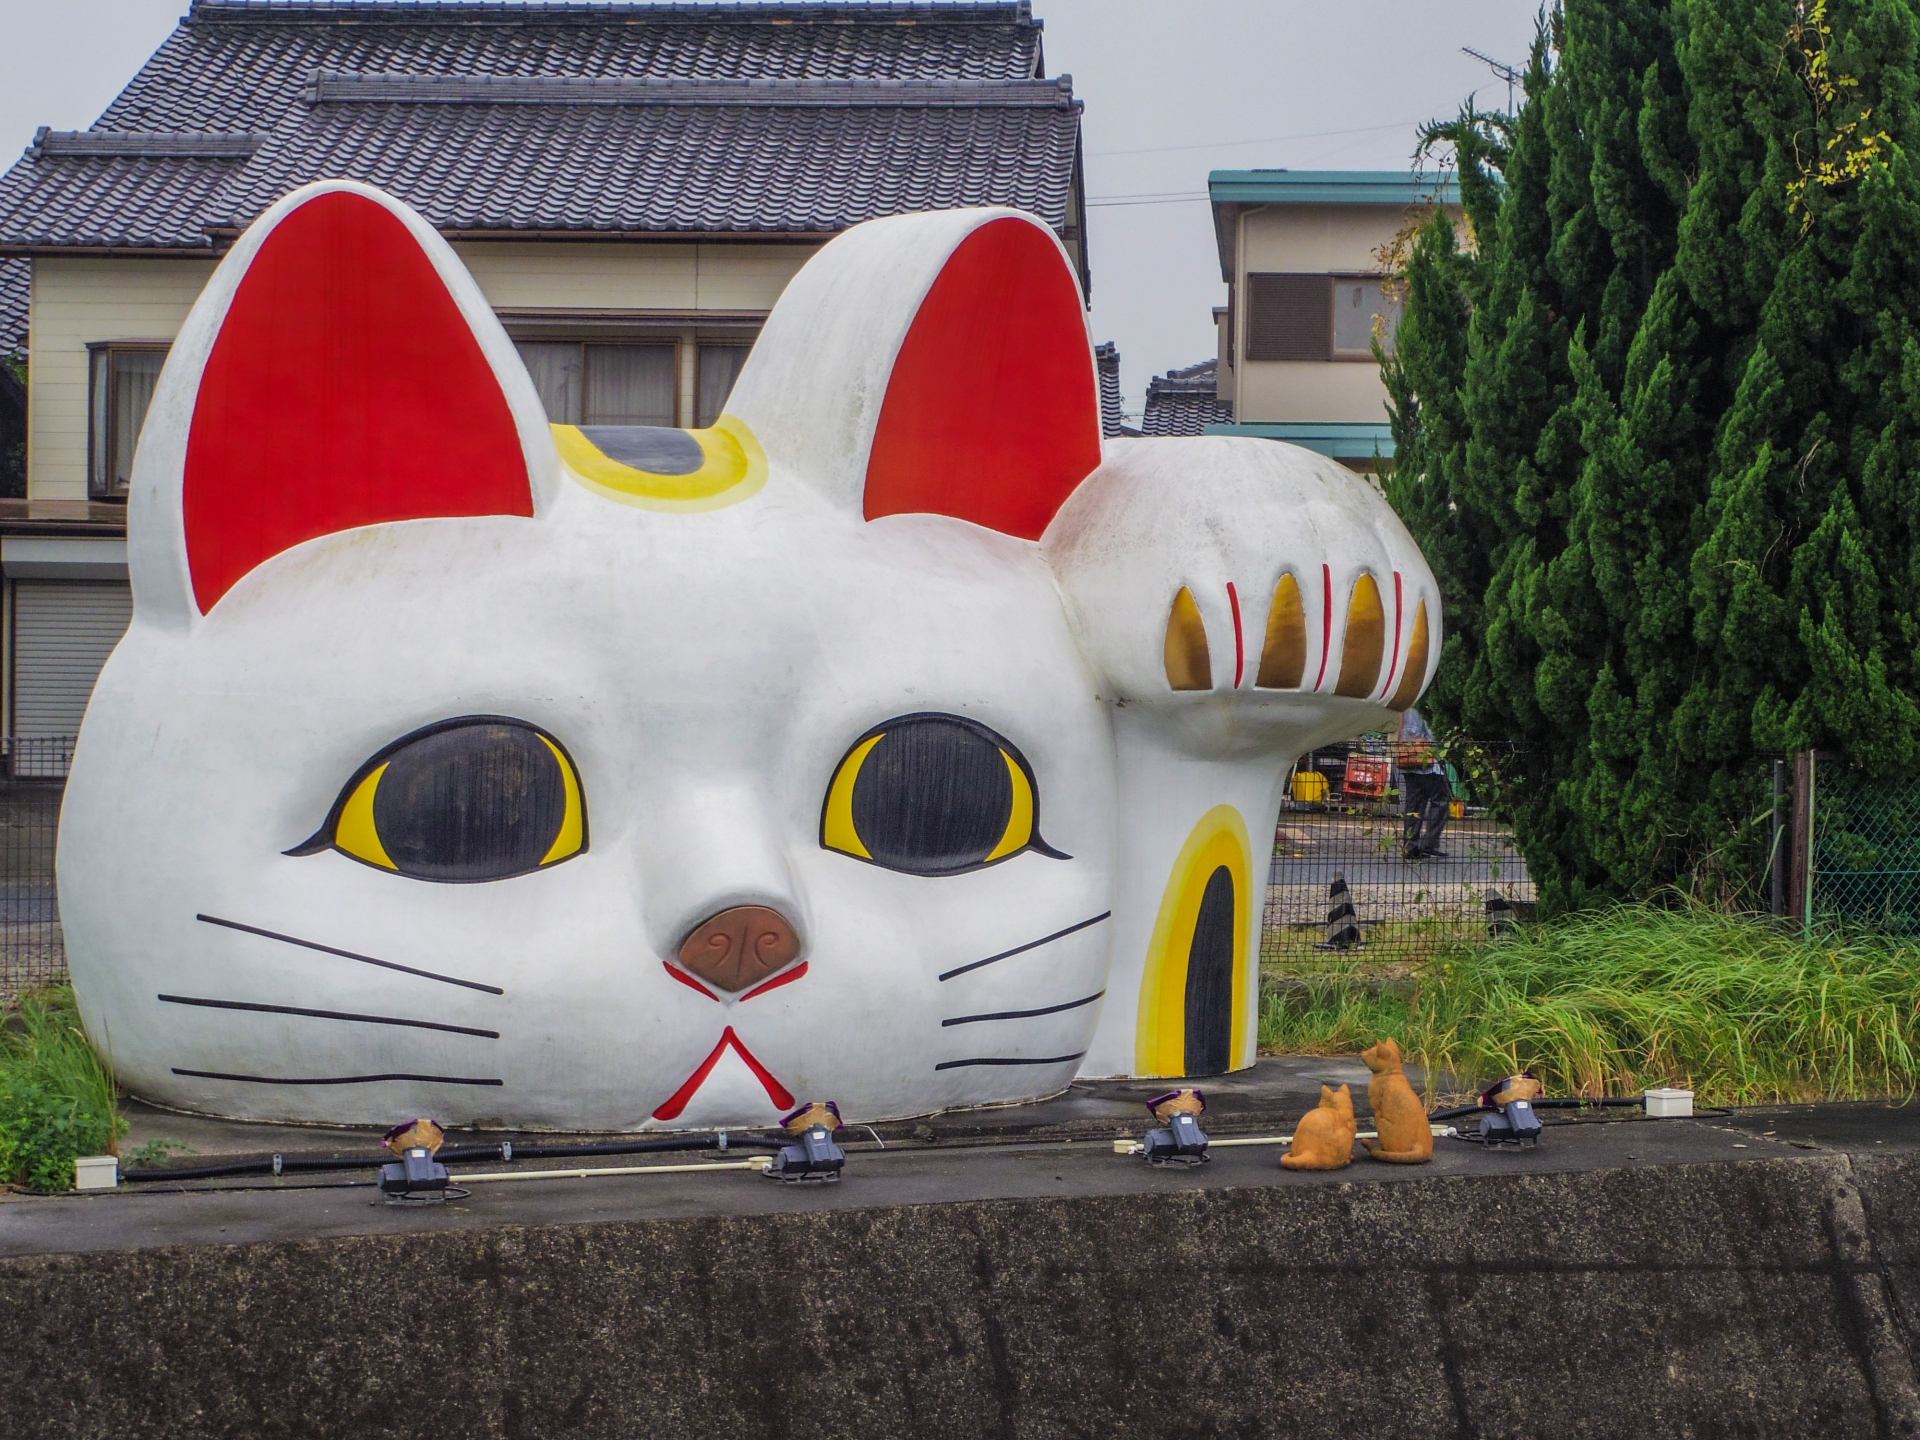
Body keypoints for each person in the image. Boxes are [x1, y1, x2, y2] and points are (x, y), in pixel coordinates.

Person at [1396, 708, 1452, 860]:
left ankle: (1410, 844)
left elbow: (1403, 730)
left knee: (1413, 805)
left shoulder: (1408, 702)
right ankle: (1429, 843)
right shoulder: (1424, 704)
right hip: (1427, 762)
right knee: (1440, 801)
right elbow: (1431, 730)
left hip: (1407, 759)